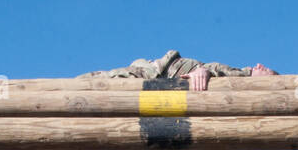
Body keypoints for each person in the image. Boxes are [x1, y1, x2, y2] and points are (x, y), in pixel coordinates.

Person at [78, 50, 278, 91]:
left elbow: (212, 69)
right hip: (160, 69)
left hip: (159, 72)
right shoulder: (240, 74)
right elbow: (212, 69)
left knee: (104, 80)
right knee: (101, 79)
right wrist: (203, 71)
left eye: (267, 70)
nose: (260, 65)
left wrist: (203, 71)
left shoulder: (244, 78)